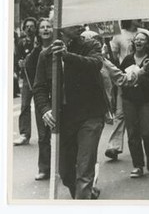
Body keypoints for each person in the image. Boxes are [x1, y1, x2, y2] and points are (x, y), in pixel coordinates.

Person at [33, 24, 106, 199]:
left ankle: (83, 197)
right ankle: (85, 194)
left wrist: (67, 56)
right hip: (65, 118)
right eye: (73, 21)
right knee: (65, 172)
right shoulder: (46, 55)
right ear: (61, 25)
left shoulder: (90, 45)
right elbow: (39, 87)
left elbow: (95, 64)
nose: (80, 25)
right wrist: (45, 109)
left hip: (90, 115)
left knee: (84, 170)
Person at [105, 19, 149, 161]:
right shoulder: (119, 35)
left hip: (142, 80)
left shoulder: (145, 33)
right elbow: (112, 55)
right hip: (125, 78)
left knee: (141, 120)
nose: (140, 19)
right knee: (120, 112)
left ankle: (146, 150)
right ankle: (114, 145)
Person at [120, 31, 149, 178]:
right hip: (129, 101)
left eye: (142, 40)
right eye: (137, 39)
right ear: (133, 43)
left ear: (147, 43)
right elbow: (120, 79)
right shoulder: (128, 59)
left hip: (146, 101)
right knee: (132, 133)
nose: (139, 42)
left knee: (147, 131)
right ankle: (138, 165)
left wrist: (145, 76)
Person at [23, 18, 53, 180]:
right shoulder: (34, 54)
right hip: (42, 97)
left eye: (49, 26)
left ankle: (64, 166)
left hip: (59, 95)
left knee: (65, 133)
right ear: (39, 32)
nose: (46, 29)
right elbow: (31, 74)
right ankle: (44, 168)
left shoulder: (59, 48)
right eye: (43, 27)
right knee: (43, 135)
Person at [14, 17, 38, 145]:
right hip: (27, 78)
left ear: (35, 28)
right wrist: (20, 63)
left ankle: (45, 134)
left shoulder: (39, 41)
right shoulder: (21, 43)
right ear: (24, 29)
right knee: (24, 105)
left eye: (32, 26)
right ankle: (24, 134)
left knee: (41, 106)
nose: (29, 28)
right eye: (27, 26)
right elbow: (18, 58)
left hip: (40, 78)